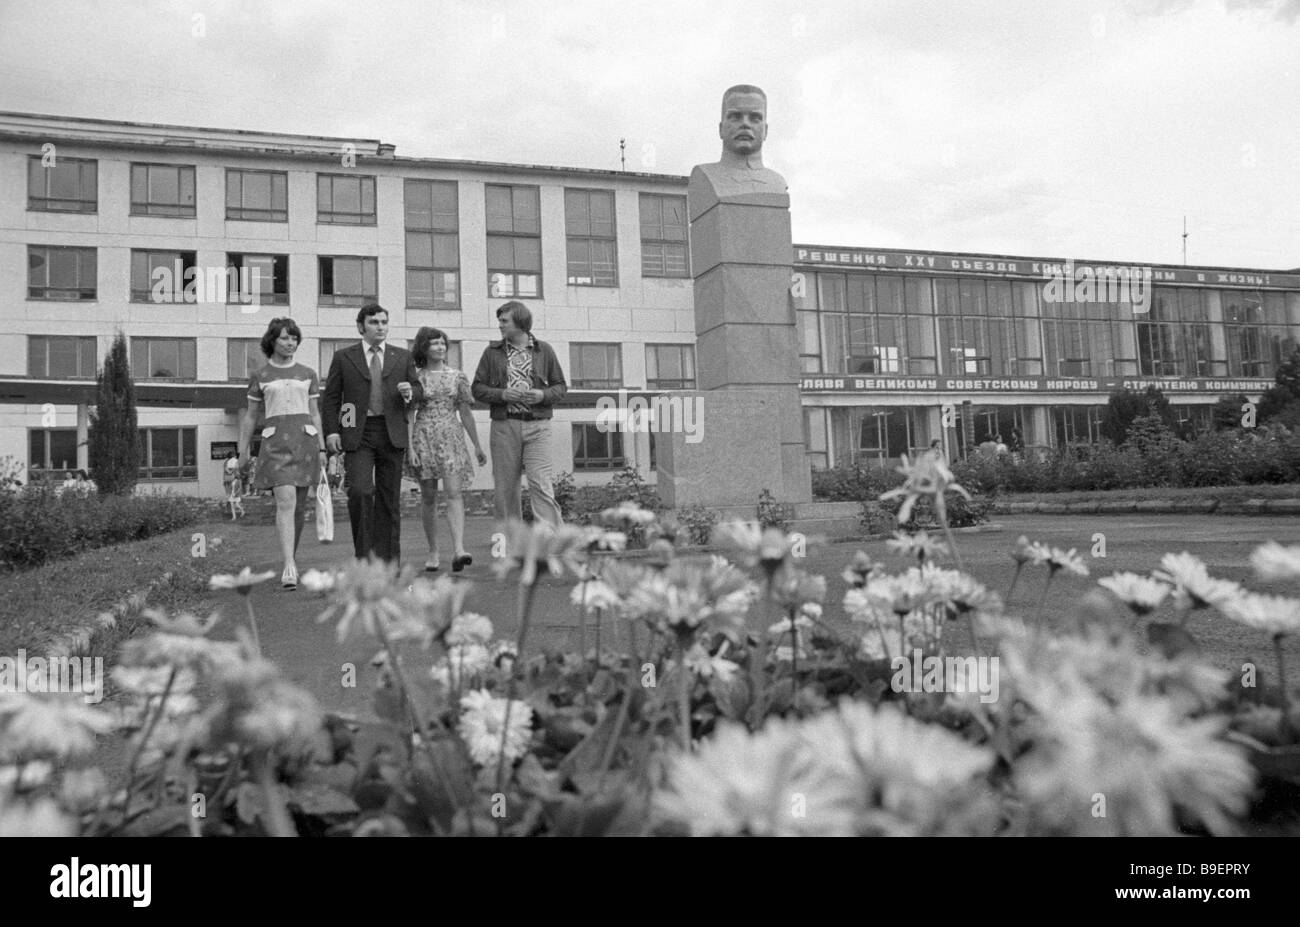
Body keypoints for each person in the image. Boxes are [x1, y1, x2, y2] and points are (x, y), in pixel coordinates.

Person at [321, 303, 423, 563]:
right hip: (359, 433)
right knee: (360, 491)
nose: (380, 327)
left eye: (384, 322)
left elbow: (419, 390)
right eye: (374, 322)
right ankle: (364, 559)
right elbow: (335, 398)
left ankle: (389, 563)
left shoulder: (402, 356)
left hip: (392, 432)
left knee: (389, 500)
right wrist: (334, 431)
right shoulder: (344, 357)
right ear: (361, 327)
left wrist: (410, 392)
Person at [236, 318, 327, 589]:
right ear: (272, 341)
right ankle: (288, 564)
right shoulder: (260, 376)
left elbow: (314, 413)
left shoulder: (308, 373)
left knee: (299, 506)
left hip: (305, 440)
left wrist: (322, 447)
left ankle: (293, 556)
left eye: (294, 338)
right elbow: (251, 417)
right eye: (285, 338)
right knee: (285, 500)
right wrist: (242, 451)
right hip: (275, 442)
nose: (291, 343)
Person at [471, 301, 566, 529]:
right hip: (505, 427)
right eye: (500, 321)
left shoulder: (545, 350)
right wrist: (502, 394)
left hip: (538, 427)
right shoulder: (492, 353)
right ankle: (507, 549)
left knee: (541, 484)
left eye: (505, 321)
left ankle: (551, 547)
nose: (500, 326)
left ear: (520, 322)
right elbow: (477, 388)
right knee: (505, 489)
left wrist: (542, 396)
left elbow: (561, 387)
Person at [405, 326, 487, 572]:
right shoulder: (416, 377)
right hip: (424, 436)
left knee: (454, 492)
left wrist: (477, 445)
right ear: (424, 348)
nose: (440, 347)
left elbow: (465, 411)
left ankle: (459, 549)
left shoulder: (457, 376)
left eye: (443, 343)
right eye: (434, 343)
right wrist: (410, 447)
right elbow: (410, 413)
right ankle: (433, 551)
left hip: (451, 436)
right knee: (428, 496)